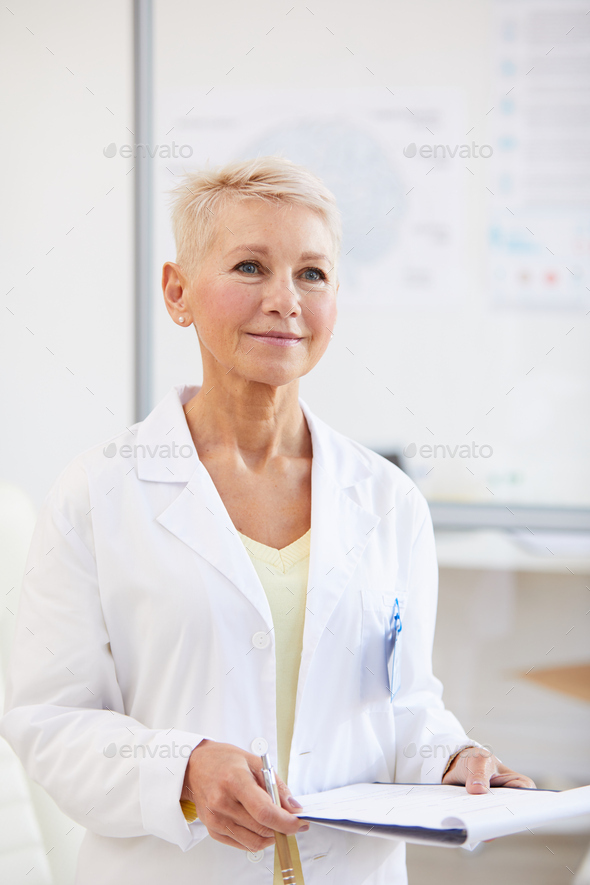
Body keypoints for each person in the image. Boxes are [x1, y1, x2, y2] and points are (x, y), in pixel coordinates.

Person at [0, 156, 534, 885]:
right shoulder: (98, 492)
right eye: (251, 266)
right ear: (177, 290)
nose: (285, 299)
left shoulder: (388, 501)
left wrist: (452, 757)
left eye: (312, 274)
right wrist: (183, 768)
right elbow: (49, 722)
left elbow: (406, 705)